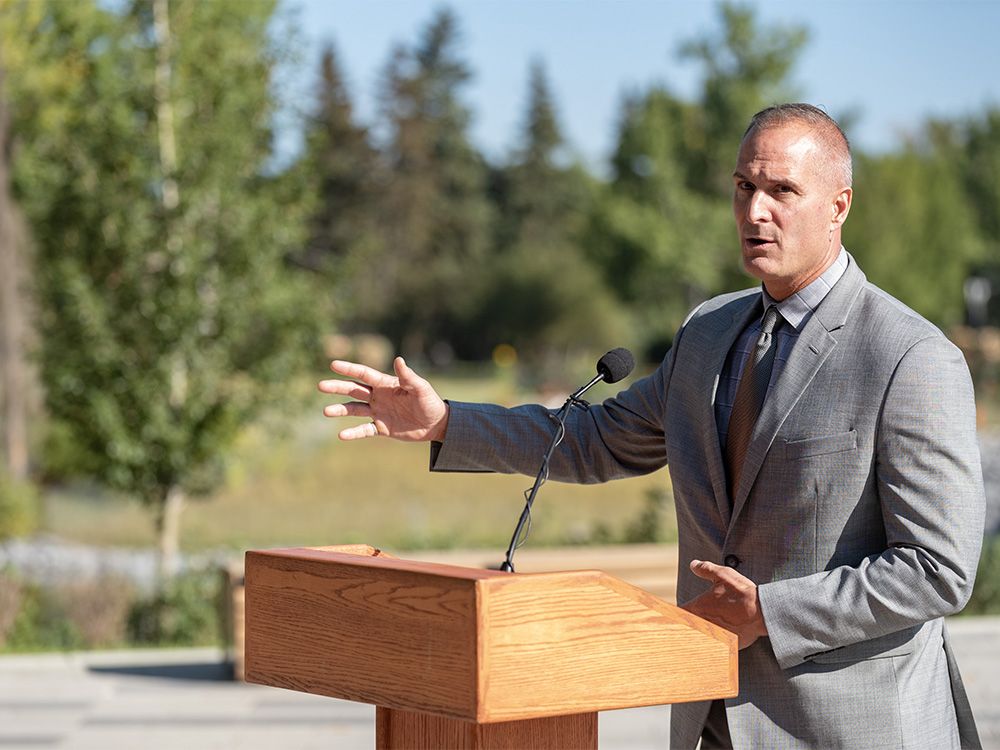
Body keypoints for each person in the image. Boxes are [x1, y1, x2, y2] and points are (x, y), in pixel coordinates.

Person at [318, 103, 985, 749]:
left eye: (783, 190)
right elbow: (595, 439)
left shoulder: (909, 357)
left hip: (852, 728)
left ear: (839, 205)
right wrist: (445, 422)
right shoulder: (708, 333)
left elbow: (938, 568)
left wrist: (771, 614)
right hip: (708, 714)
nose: (755, 211)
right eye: (744, 187)